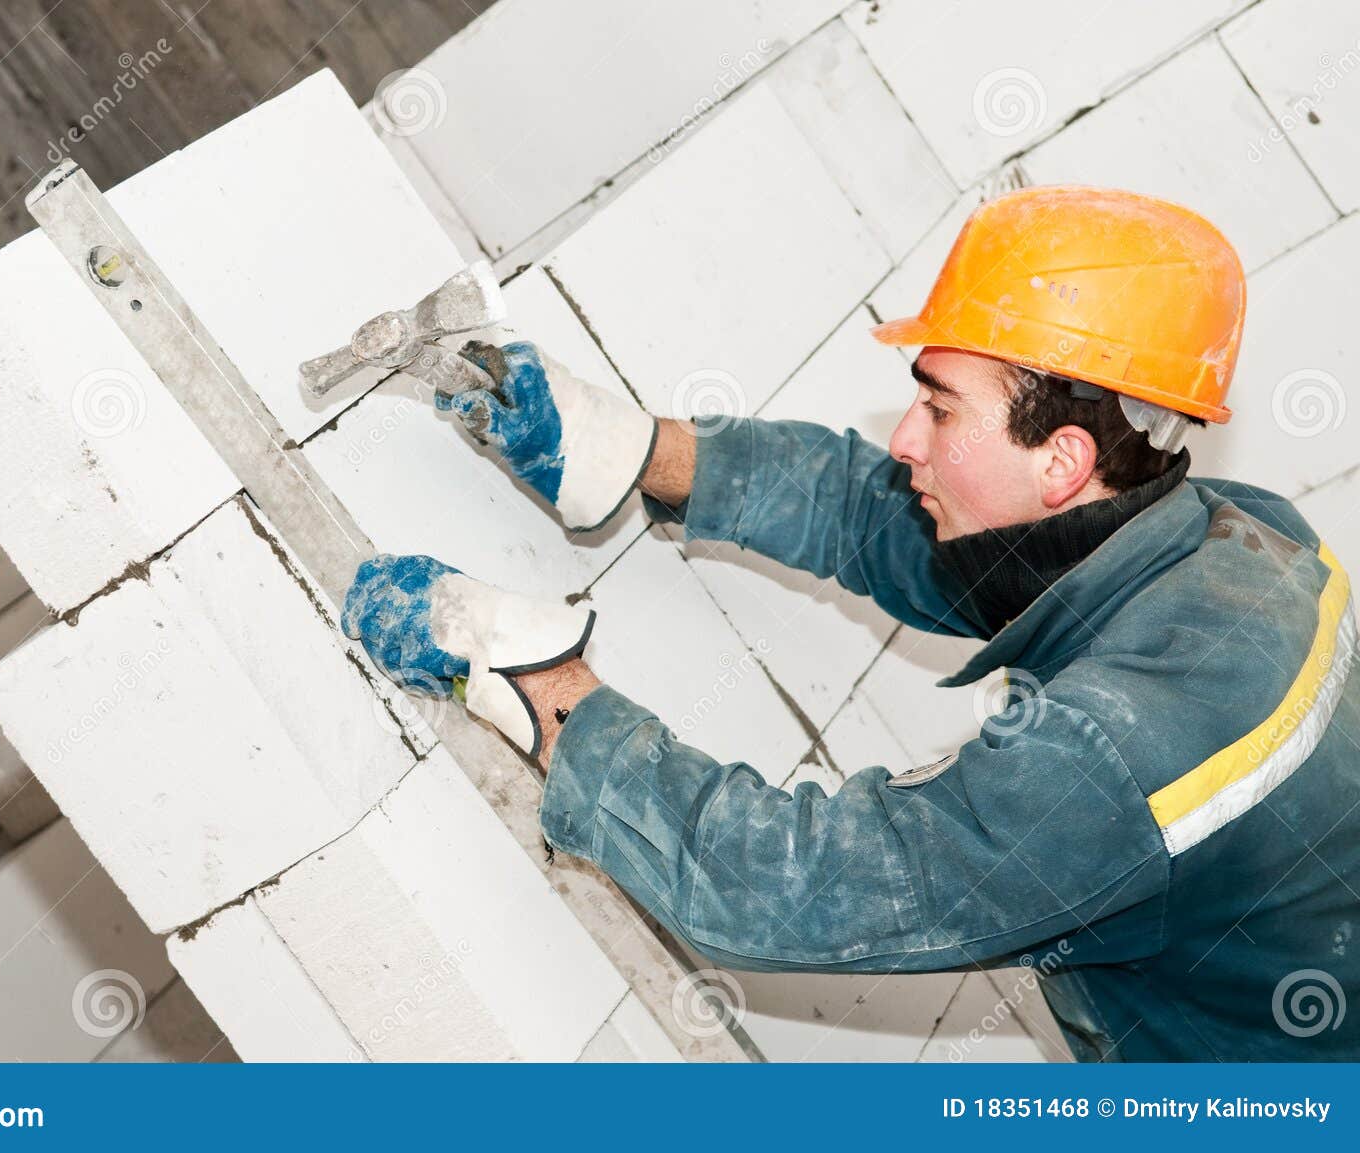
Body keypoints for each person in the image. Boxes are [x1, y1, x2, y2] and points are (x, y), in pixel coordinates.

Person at [341, 185, 1360, 1061]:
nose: (904, 439)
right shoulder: (1240, 542)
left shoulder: (1116, 760)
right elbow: (901, 525)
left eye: (941, 409)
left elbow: (792, 884)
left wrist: (540, 687)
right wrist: (631, 450)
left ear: (1061, 463)